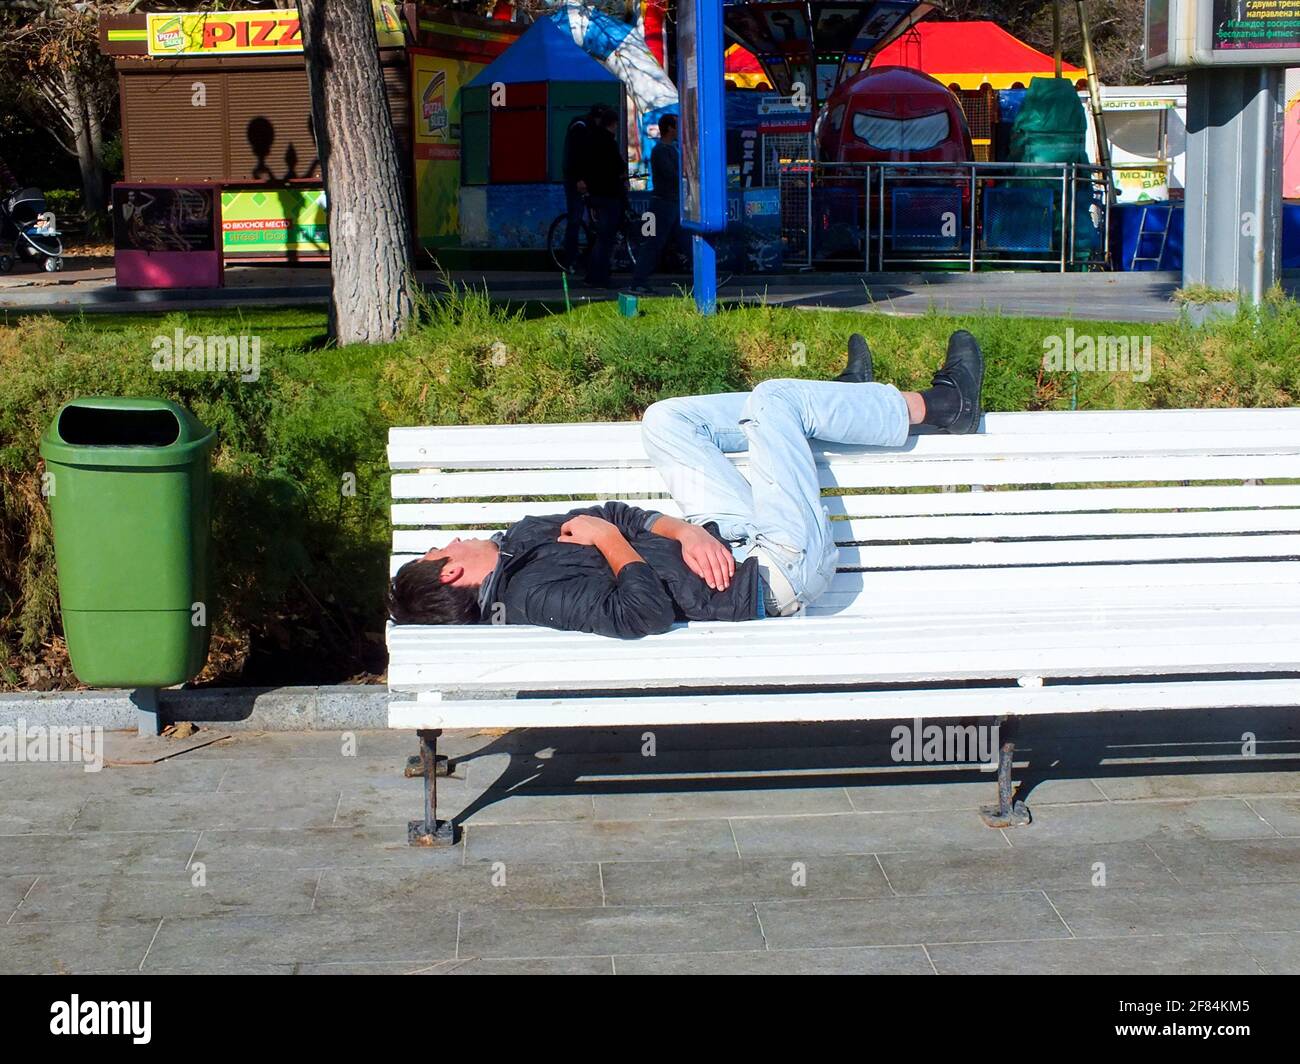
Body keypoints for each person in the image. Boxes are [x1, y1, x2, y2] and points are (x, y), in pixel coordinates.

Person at [387, 331, 984, 638]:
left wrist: (683, 531)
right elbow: (638, 612)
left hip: (725, 540)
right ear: (450, 572)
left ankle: (837, 403)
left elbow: (612, 513)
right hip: (775, 572)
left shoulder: (518, 541)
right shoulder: (532, 596)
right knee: (775, 399)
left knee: (667, 419)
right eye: (440, 550)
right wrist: (604, 541)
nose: (450, 541)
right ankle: (944, 403)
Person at [629, 113, 682, 294]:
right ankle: (639, 281)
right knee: (653, 243)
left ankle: (708, 275)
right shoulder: (660, 151)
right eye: (676, 125)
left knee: (688, 240)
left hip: (672, 203)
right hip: (662, 205)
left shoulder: (672, 149)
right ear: (669, 128)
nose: (679, 128)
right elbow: (671, 175)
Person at [560, 103, 610, 274]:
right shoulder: (580, 129)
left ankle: (582, 259)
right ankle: (570, 261)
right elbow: (575, 157)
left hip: (584, 180)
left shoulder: (588, 128)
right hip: (576, 181)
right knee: (575, 218)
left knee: (585, 219)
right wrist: (579, 179)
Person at [582, 108, 628, 289]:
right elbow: (617, 166)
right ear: (613, 124)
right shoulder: (608, 142)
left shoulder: (591, 139)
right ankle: (599, 276)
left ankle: (593, 275)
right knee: (606, 238)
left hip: (596, 194)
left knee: (600, 237)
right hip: (609, 193)